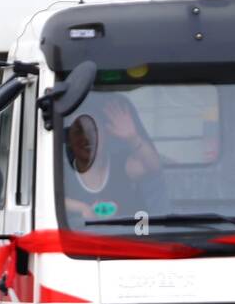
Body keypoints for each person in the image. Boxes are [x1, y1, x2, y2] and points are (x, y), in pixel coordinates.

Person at [63, 95, 167, 223]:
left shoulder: (121, 164)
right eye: (78, 132)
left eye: (93, 129)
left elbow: (153, 167)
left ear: (106, 135)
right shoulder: (62, 169)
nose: (86, 138)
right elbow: (46, 197)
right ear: (69, 141)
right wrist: (82, 208)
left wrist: (132, 138)